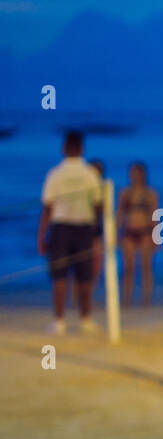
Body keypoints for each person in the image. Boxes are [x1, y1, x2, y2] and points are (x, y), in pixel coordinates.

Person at [37, 130, 102, 335]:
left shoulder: (55, 174)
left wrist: (41, 235)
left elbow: (48, 207)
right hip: (83, 227)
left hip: (62, 228)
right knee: (84, 276)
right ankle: (85, 319)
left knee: (60, 276)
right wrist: (96, 231)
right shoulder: (90, 174)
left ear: (65, 148)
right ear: (82, 149)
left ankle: (60, 321)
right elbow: (98, 205)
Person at [116, 161, 159, 307]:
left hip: (145, 231)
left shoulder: (150, 194)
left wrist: (156, 236)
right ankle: (126, 299)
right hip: (129, 231)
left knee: (146, 267)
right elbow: (120, 214)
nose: (134, 176)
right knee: (128, 268)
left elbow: (155, 215)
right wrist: (117, 234)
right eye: (132, 173)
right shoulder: (125, 193)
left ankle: (146, 299)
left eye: (137, 173)